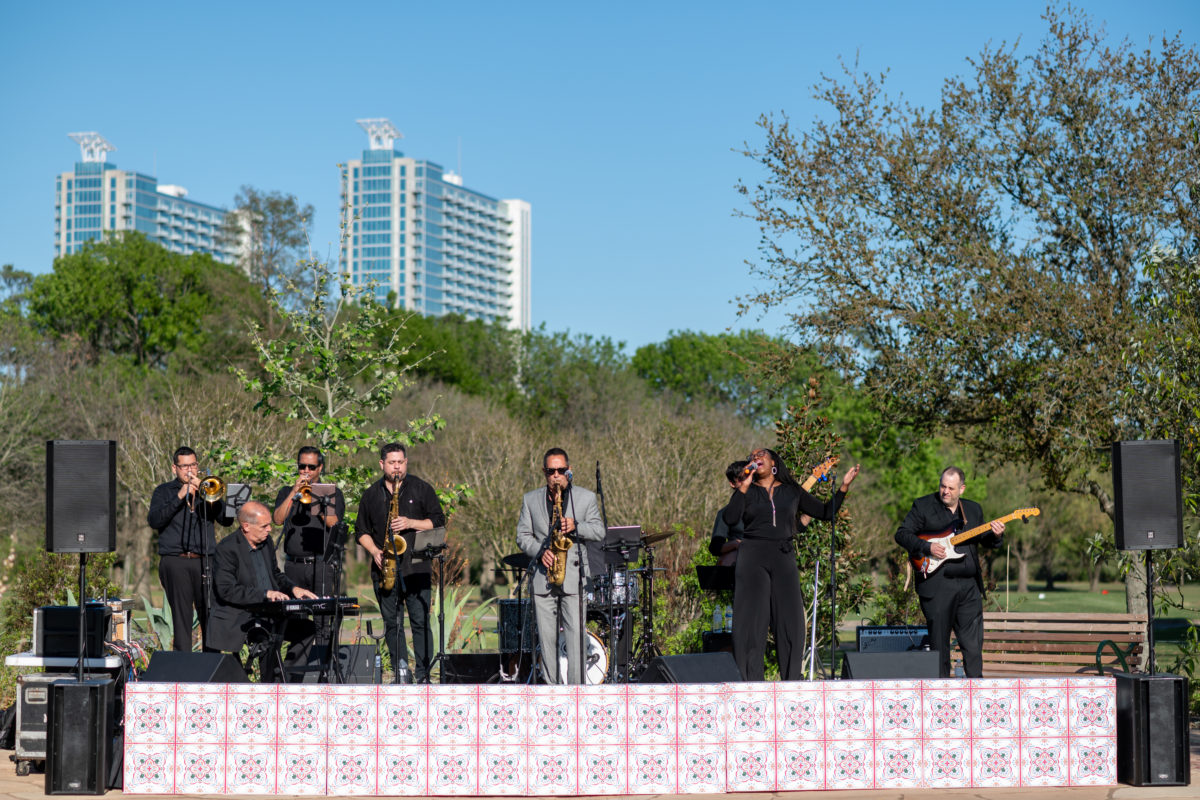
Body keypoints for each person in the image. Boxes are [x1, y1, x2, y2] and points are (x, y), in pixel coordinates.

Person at [723, 447, 860, 681]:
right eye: (752, 457)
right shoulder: (747, 491)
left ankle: (790, 682)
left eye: (761, 455)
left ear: (774, 461)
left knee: (789, 621)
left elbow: (826, 512)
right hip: (752, 556)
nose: (756, 458)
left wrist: (844, 486)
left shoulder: (791, 491)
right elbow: (730, 518)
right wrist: (743, 487)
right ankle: (750, 682)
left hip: (782, 555)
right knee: (751, 623)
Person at [894, 466, 1005, 678]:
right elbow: (902, 535)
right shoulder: (923, 506)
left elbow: (983, 540)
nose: (946, 491)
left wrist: (997, 536)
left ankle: (975, 693)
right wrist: (927, 548)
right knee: (940, 648)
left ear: (961, 489)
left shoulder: (973, 509)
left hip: (969, 587)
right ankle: (941, 698)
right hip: (938, 586)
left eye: (951, 488)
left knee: (973, 648)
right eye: (943, 486)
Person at [356, 443, 446, 683]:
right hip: (385, 568)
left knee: (420, 622)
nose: (397, 467)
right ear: (382, 464)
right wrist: (374, 551)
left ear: (406, 462)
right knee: (392, 624)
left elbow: (437, 522)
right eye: (392, 462)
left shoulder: (422, 489)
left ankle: (424, 675)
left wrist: (410, 523)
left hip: (416, 568)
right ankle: (401, 674)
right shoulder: (371, 494)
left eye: (401, 462)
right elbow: (361, 531)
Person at [516, 447, 605, 684]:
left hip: (574, 576)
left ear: (569, 471)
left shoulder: (585, 498)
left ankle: (577, 692)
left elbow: (599, 531)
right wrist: (540, 551)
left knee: (576, 637)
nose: (556, 475)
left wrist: (576, 525)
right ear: (544, 472)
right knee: (547, 639)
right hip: (543, 578)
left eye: (561, 470)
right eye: (551, 471)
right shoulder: (530, 499)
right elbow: (522, 536)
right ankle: (552, 691)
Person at [207, 501, 317, 681]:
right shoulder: (227, 549)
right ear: (246, 526)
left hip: (269, 614)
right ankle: (270, 684)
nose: (269, 530)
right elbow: (227, 591)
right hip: (240, 616)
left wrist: (294, 588)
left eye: (269, 526)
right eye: (264, 526)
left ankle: (287, 680)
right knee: (267, 636)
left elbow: (275, 575)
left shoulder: (265, 543)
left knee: (307, 628)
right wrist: (265, 594)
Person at [147, 446, 233, 651]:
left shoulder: (208, 489)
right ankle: (183, 672)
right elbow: (155, 520)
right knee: (182, 619)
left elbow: (227, 520)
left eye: (193, 464)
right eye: (184, 466)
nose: (190, 470)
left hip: (205, 560)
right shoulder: (163, 491)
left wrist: (210, 495)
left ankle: (211, 668)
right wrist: (179, 496)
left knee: (210, 616)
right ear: (174, 468)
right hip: (175, 561)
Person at [272, 446, 346, 672]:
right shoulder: (288, 491)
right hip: (294, 565)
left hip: (322, 565)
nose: (305, 471)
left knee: (323, 621)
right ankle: (294, 675)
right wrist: (294, 493)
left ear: (320, 468)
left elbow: (334, 524)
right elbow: (277, 519)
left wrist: (314, 497)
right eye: (301, 466)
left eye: (311, 467)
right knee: (295, 620)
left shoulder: (329, 492)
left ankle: (322, 672)